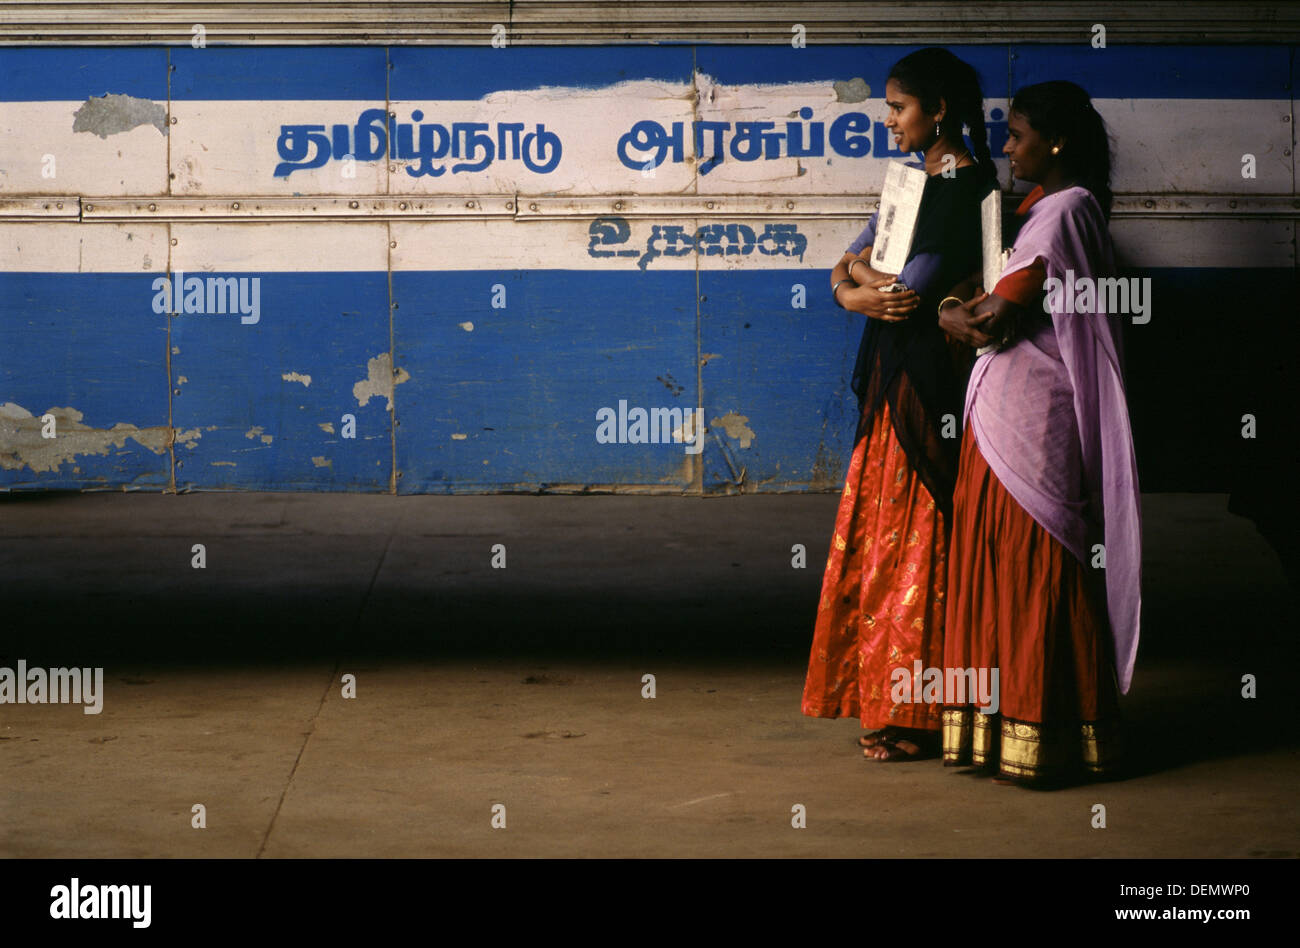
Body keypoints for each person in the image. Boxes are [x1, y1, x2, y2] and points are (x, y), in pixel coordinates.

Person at [937, 80, 1140, 786]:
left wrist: (948, 314)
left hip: (1033, 418)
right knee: (1010, 558)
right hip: (1015, 412)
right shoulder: (1055, 211)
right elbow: (985, 301)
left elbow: (991, 317)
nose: (1009, 147)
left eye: (1018, 135)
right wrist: (957, 307)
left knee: (1034, 558)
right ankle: (1023, 727)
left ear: (1054, 143)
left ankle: (1047, 727)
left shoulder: (1060, 215)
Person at [802, 48, 997, 761]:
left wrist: (857, 282)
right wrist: (853, 285)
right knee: (884, 535)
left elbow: (904, 289)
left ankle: (917, 711)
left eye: (898, 108)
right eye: (887, 107)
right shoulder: (909, 185)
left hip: (927, 388)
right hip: (890, 376)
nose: (888, 122)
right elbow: (849, 270)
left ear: (938, 110)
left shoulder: (965, 189)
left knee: (919, 544)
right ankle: (887, 701)